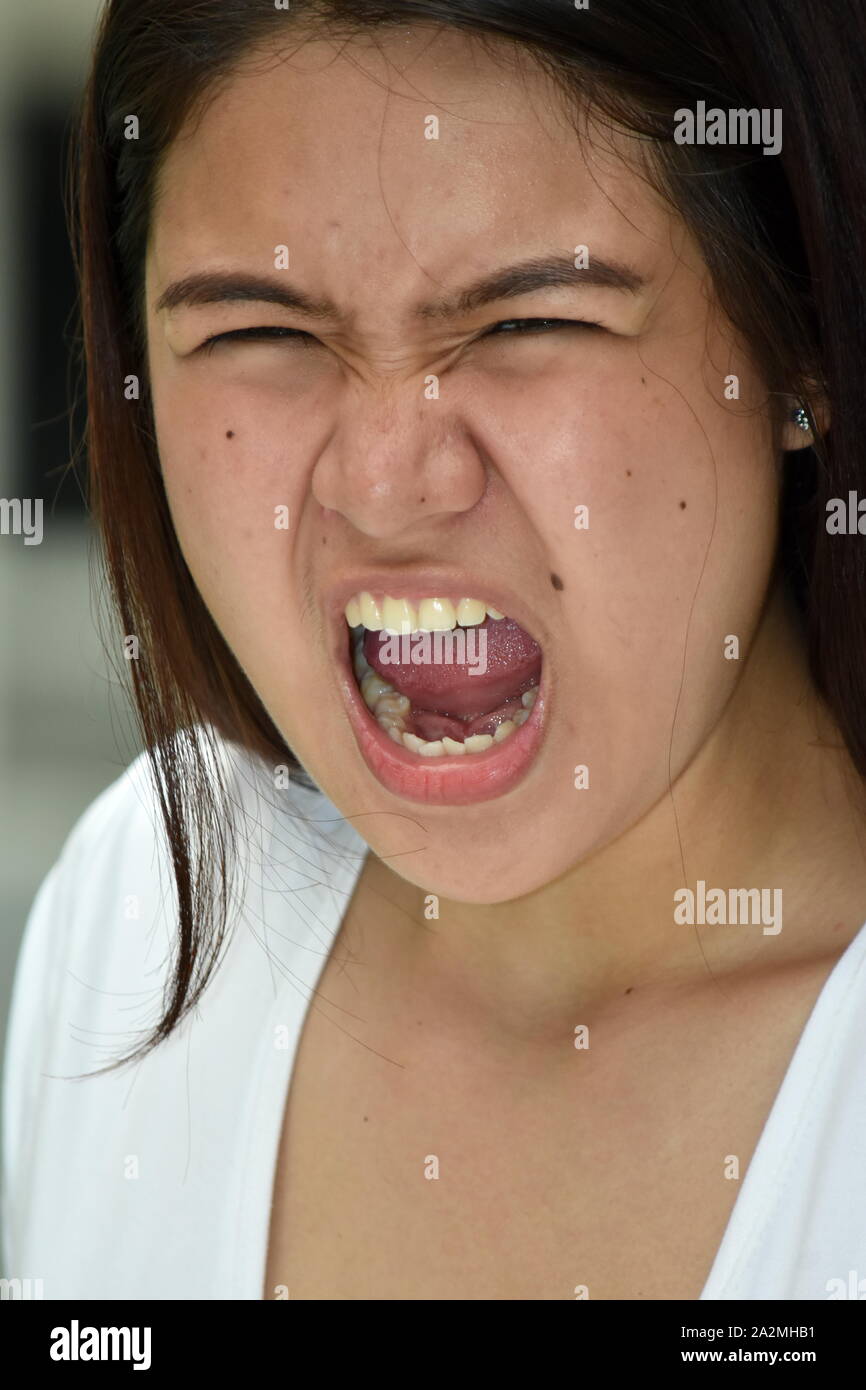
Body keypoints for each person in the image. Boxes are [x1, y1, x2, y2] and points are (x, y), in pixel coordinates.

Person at [4, 0, 866, 1301]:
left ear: (799, 343)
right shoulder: (142, 907)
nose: (388, 484)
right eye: (261, 334)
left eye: (528, 325)